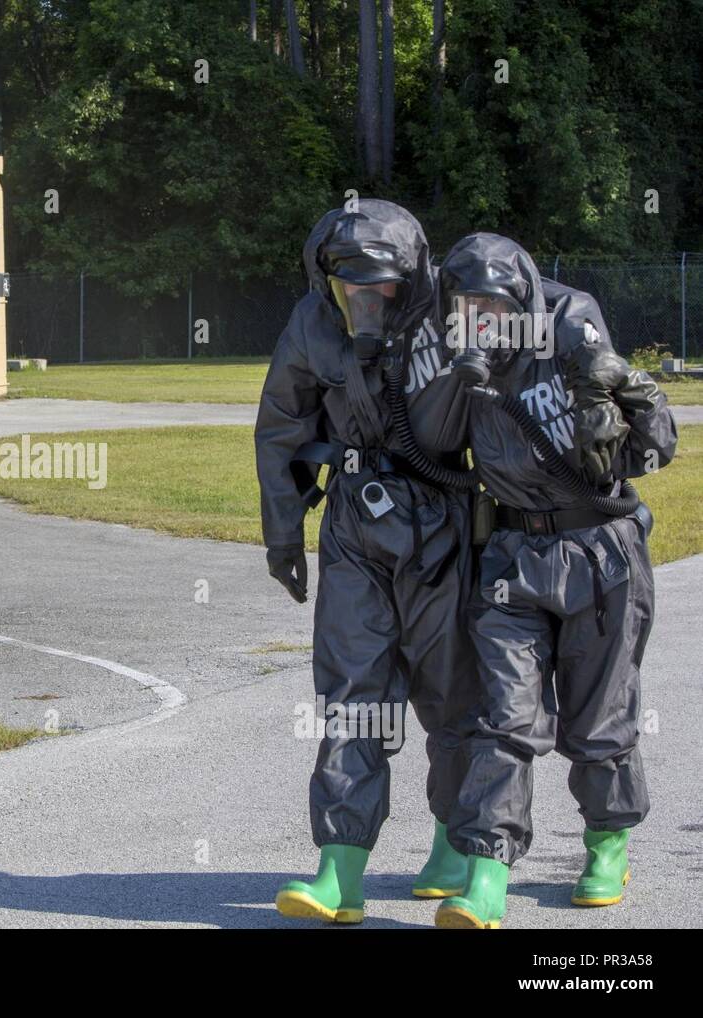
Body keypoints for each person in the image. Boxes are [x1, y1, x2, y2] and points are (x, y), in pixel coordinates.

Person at [432, 233, 677, 929]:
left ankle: (607, 846)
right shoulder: (458, 359)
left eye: (493, 305)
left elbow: (656, 444)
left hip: (599, 551)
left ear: (524, 300)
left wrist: (628, 391)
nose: (480, 318)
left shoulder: (572, 328)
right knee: (502, 720)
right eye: (466, 305)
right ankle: (486, 875)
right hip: (511, 555)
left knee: (601, 718)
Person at [256, 199, 479, 924]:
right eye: (352, 287)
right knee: (353, 693)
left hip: (443, 522)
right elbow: (282, 429)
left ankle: (453, 839)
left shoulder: (452, 316)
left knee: (450, 693)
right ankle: (340, 870)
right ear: (328, 279)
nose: (366, 300)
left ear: (410, 277)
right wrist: (283, 535)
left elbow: (506, 419)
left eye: (381, 286)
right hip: (356, 523)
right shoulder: (311, 324)